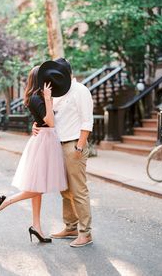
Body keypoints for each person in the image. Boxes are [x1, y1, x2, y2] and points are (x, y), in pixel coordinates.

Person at [0, 63, 71, 243]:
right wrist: (49, 100)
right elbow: (50, 122)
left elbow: (44, 121)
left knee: (38, 188)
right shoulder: (37, 98)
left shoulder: (39, 97)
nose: (48, 81)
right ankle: (5, 202)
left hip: (45, 140)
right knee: (37, 188)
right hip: (44, 142)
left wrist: (48, 102)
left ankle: (37, 227)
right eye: (44, 77)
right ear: (38, 80)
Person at [33, 58, 94, 248]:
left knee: (78, 190)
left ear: (68, 74)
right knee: (65, 190)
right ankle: (70, 227)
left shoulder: (81, 91)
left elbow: (87, 121)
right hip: (57, 145)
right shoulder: (58, 92)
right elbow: (51, 119)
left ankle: (85, 233)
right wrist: (35, 126)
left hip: (74, 144)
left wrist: (79, 146)